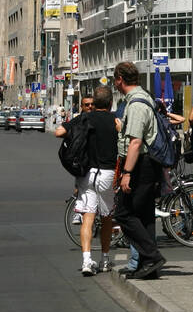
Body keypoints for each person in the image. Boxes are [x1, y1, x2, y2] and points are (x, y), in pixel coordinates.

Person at [112, 61, 167, 280]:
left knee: (123, 213)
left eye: (115, 81)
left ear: (119, 79)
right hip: (147, 163)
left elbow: (135, 142)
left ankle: (152, 256)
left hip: (140, 164)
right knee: (144, 215)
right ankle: (148, 265)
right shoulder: (145, 97)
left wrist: (126, 173)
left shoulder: (136, 104)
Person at [66, 89, 119, 275]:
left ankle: (87, 261)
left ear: (94, 103)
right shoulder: (115, 121)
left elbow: (59, 131)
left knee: (87, 218)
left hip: (88, 173)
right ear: (111, 103)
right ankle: (105, 260)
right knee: (107, 218)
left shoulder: (85, 119)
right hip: (108, 173)